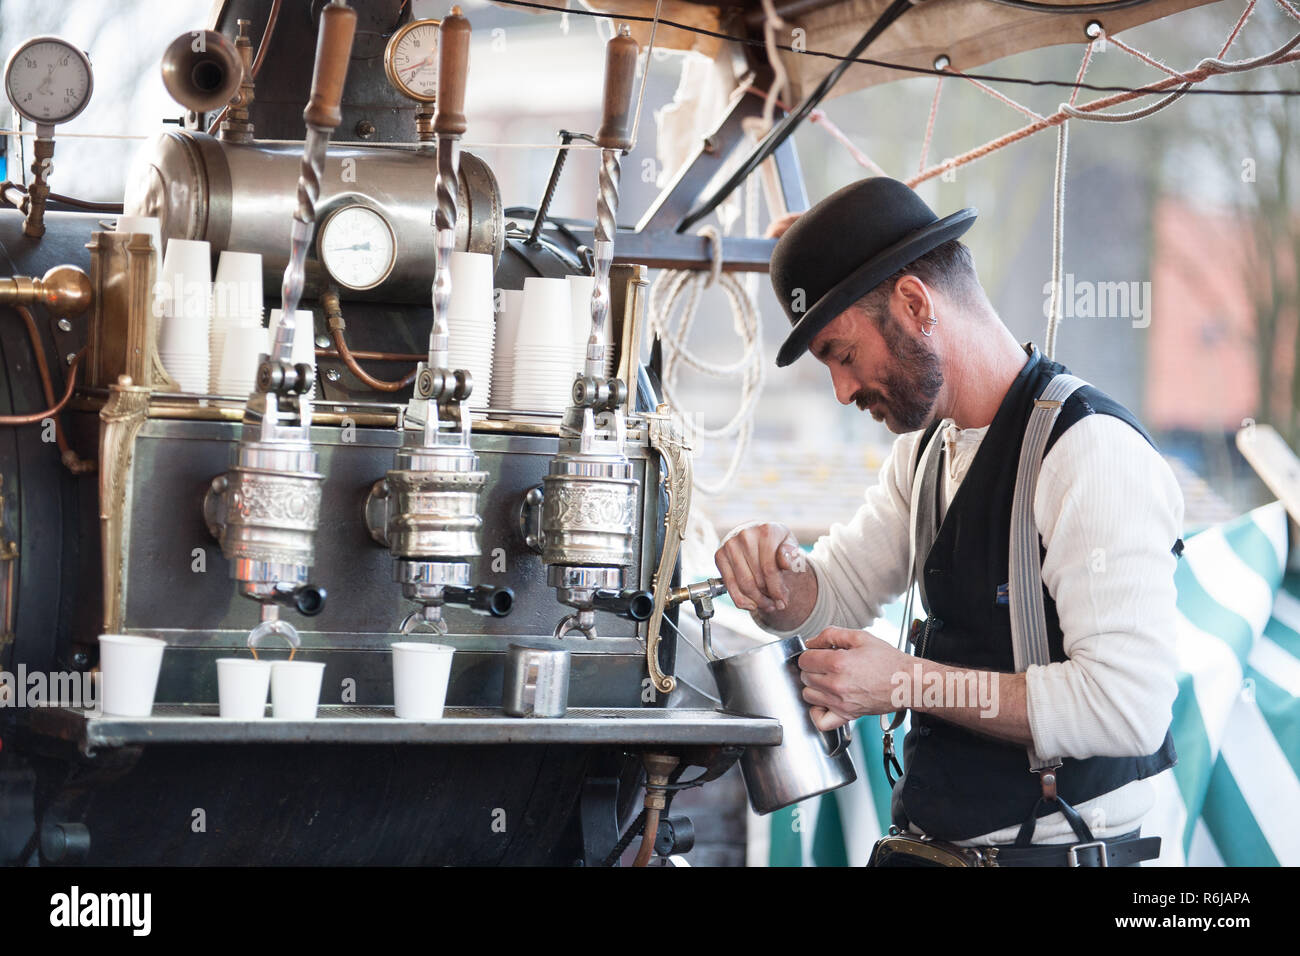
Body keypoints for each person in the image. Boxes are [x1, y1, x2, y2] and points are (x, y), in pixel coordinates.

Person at [714, 177, 1184, 866]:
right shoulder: (928, 452)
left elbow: (1127, 706)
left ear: (913, 303)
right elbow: (837, 589)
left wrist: (907, 682)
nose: (842, 391)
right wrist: (778, 581)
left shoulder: (1089, 451)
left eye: (842, 356)